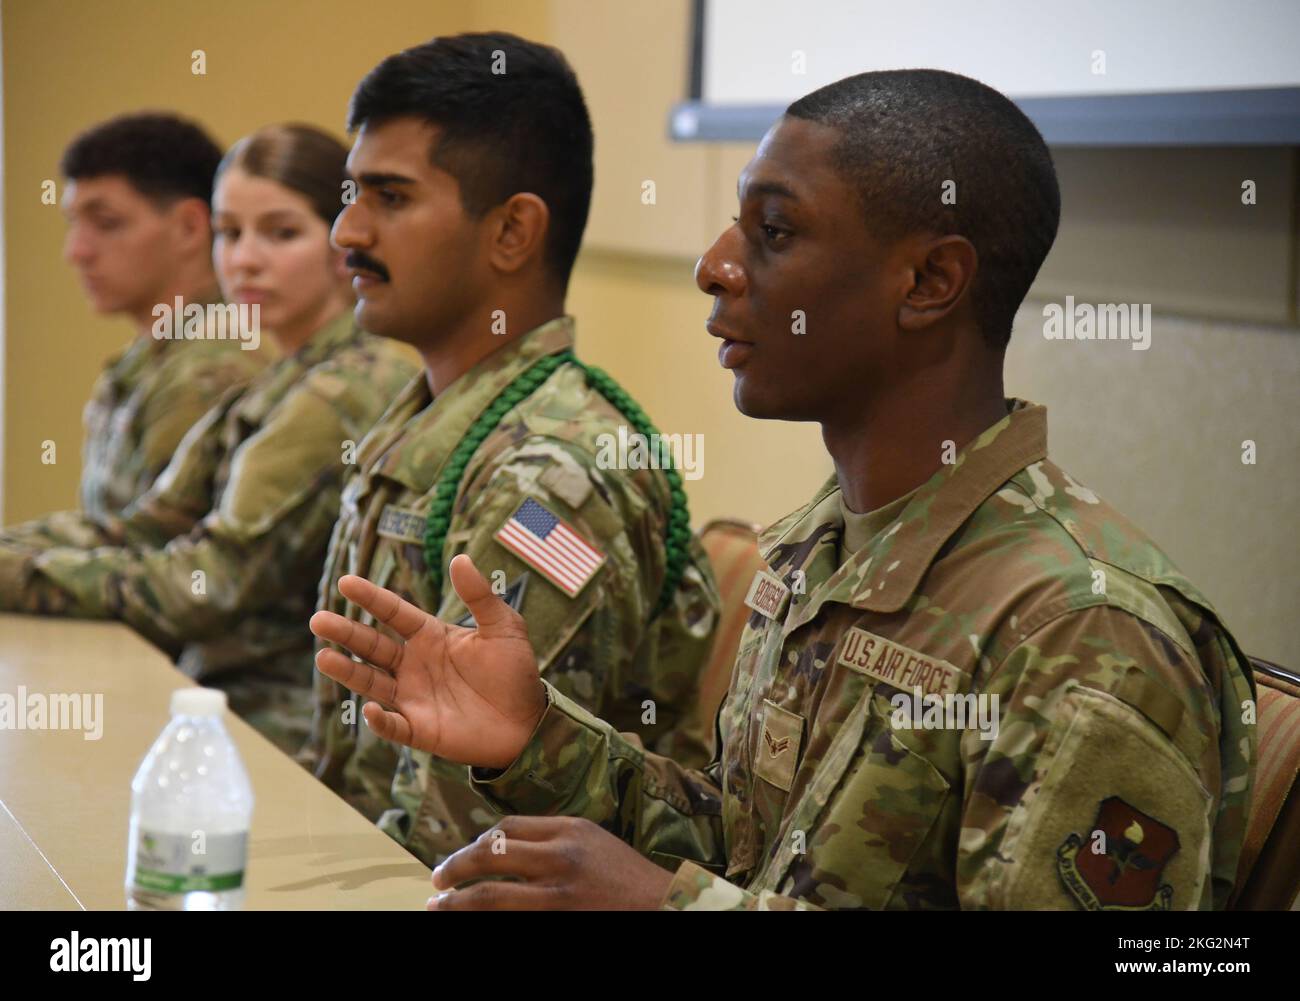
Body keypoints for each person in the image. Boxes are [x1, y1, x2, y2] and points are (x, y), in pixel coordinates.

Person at [311, 69, 1256, 910]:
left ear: (929, 281)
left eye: (773, 232)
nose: (713, 266)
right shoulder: (825, 549)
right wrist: (533, 739)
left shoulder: (1081, 629)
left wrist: (661, 904)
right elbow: (748, 852)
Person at [300, 32, 720, 866]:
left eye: (388, 197)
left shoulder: (556, 478)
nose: (345, 231)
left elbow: (460, 835)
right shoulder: (438, 414)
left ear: (512, 232)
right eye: (351, 194)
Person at [0, 124, 417, 755]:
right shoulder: (282, 380)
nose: (244, 258)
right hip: (223, 704)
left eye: (281, 233)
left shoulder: (344, 389)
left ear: (343, 241)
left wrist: (17, 574)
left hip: (291, 730)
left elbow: (206, 586)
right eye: (230, 233)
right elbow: (145, 527)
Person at [9, 113, 266, 542]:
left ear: (188, 226)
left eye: (107, 223)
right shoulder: (154, 357)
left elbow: (152, 559)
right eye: (73, 223)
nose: (77, 251)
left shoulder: (209, 370)